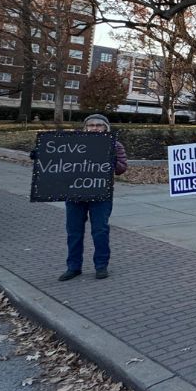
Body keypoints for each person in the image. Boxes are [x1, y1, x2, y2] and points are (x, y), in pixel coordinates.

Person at [57, 114, 128, 281]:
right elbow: (58, 161)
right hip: (75, 194)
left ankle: (101, 266)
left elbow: (121, 169)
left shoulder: (114, 145)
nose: (95, 128)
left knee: (100, 231)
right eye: (91, 125)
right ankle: (73, 267)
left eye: (99, 125)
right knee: (74, 232)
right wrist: (41, 155)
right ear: (85, 127)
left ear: (106, 128)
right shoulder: (73, 144)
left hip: (100, 194)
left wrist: (113, 161)